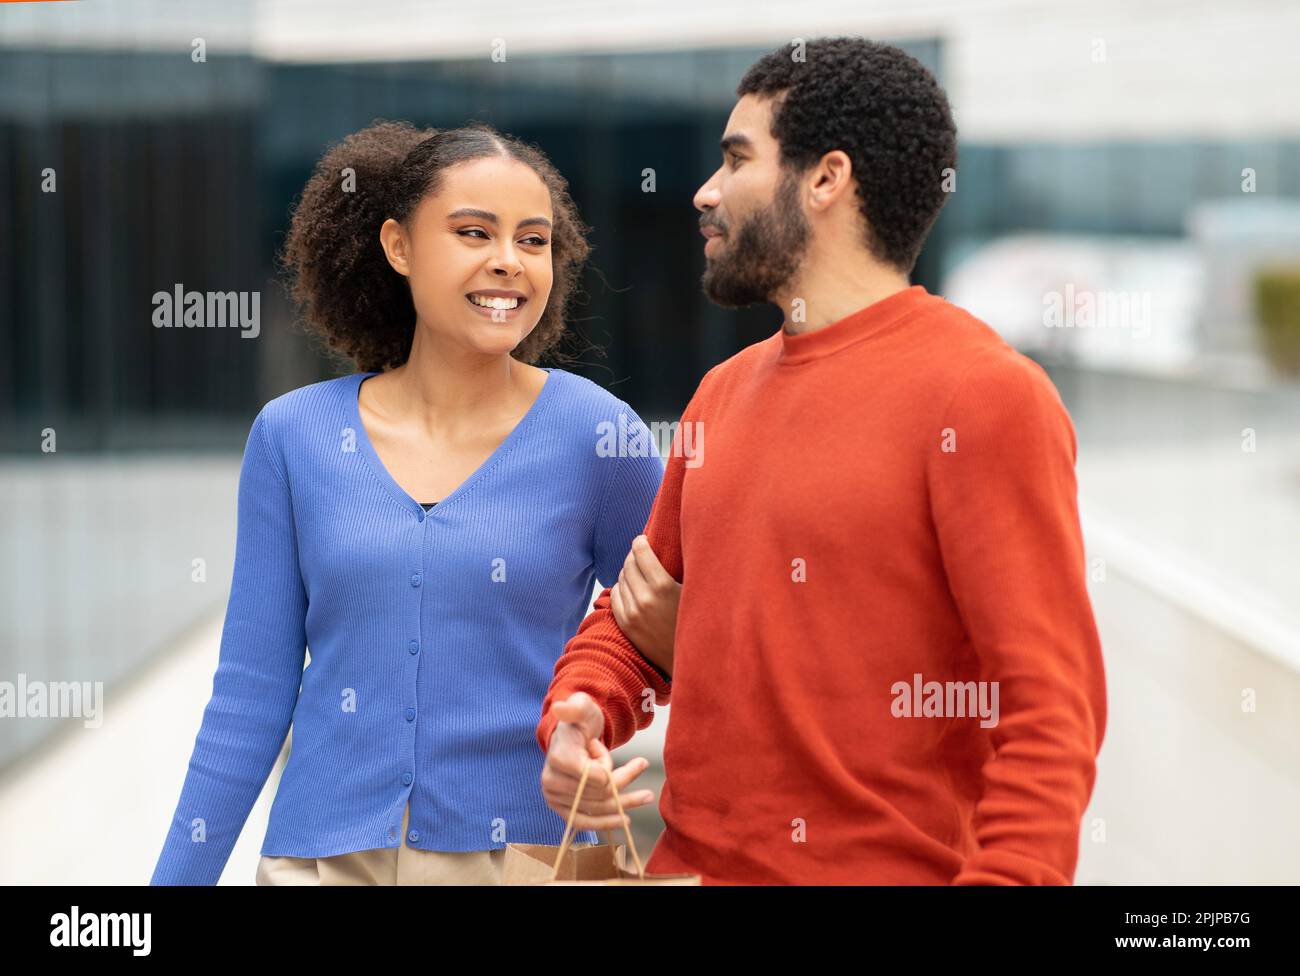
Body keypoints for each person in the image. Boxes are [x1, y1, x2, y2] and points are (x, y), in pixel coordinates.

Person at [537, 37, 1108, 885]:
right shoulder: (721, 393)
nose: (705, 192)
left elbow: (1051, 716)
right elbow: (629, 625)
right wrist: (579, 713)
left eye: (736, 159)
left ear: (826, 178)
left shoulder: (982, 396)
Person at [150, 120, 677, 885]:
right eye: (473, 232)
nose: (509, 262)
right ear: (399, 246)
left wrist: (596, 726)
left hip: (520, 861)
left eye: (534, 242)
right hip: (319, 860)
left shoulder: (597, 436)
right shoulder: (293, 437)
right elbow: (250, 696)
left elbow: (669, 631)